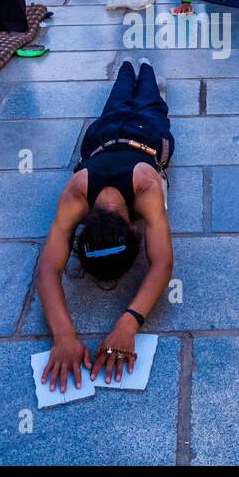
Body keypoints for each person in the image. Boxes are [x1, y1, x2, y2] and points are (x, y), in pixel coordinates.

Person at [36, 59, 175, 392]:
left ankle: (139, 68)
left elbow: (162, 265)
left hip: (135, 133)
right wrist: (64, 336)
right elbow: (46, 270)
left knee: (137, 99)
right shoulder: (78, 192)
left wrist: (128, 324)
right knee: (129, 99)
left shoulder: (143, 187)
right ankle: (134, 67)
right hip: (119, 133)